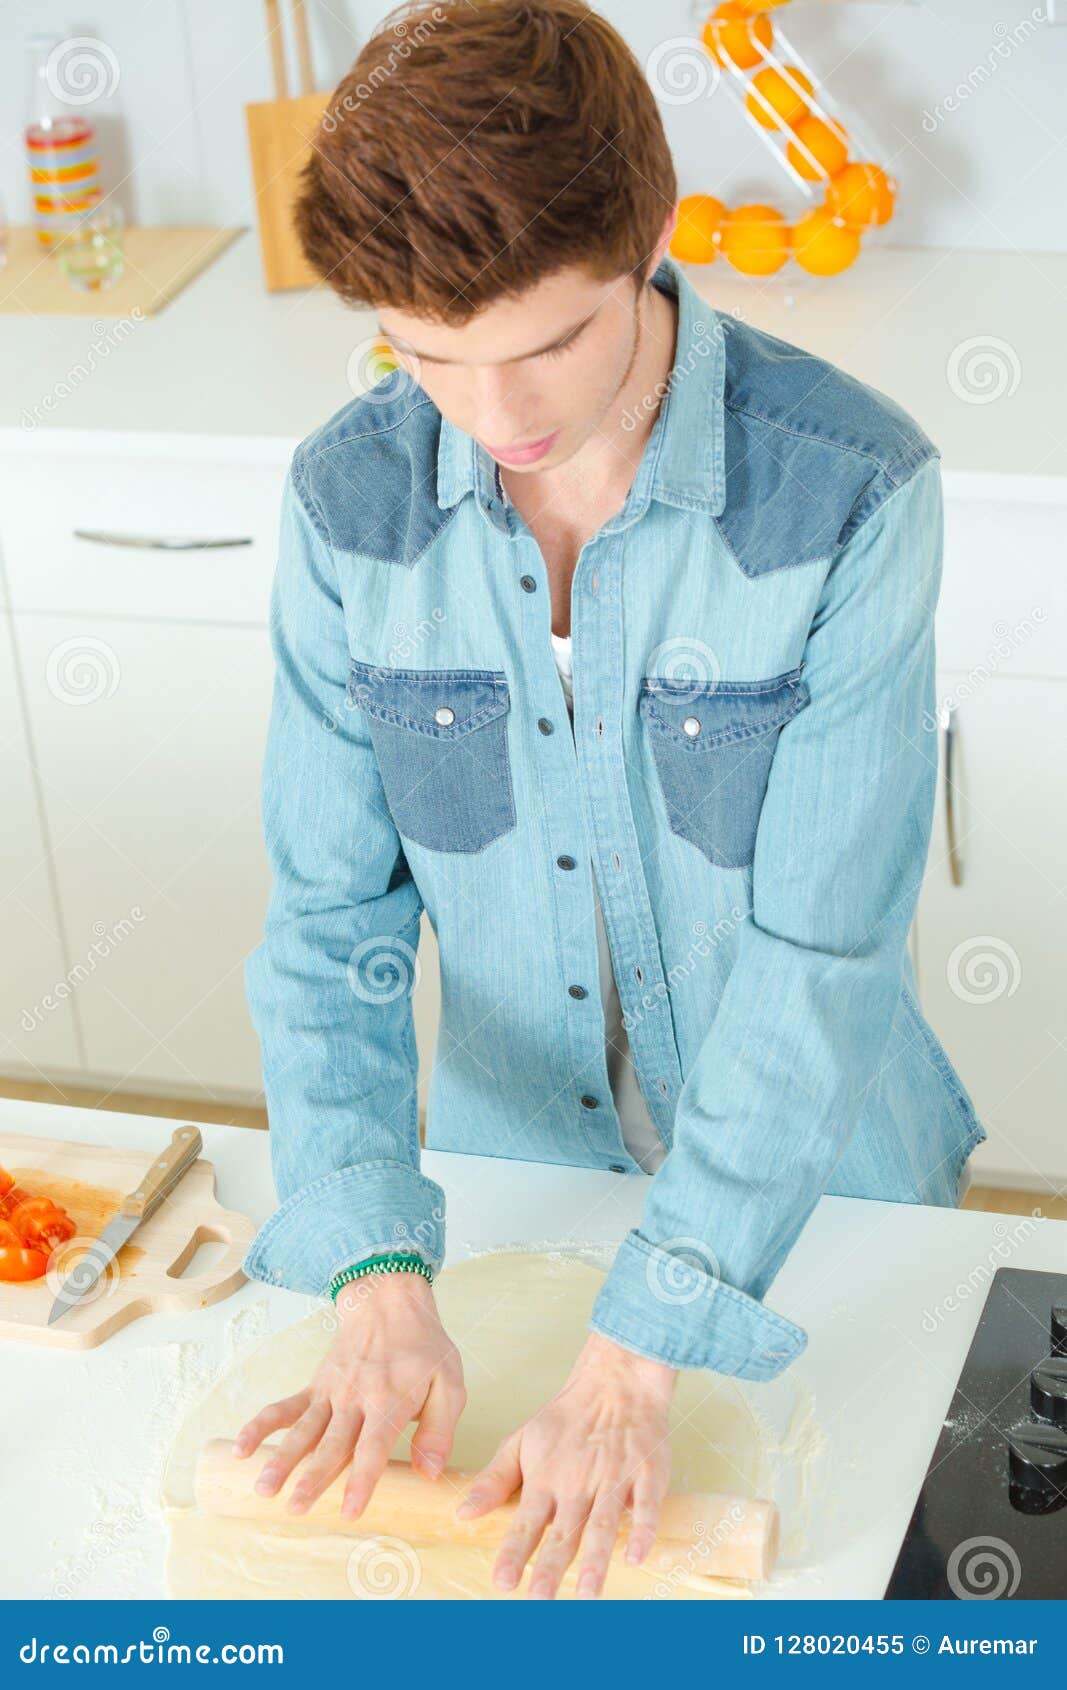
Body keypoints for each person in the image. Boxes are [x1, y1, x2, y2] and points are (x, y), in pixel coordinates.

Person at [234, 0, 984, 1600]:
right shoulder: (347, 503)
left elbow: (819, 960)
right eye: (427, 356)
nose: (497, 418)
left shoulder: (849, 492)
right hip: (518, 1194)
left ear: (649, 237)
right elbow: (327, 922)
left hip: (832, 1210)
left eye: (547, 344)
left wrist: (642, 1357)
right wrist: (372, 1260)